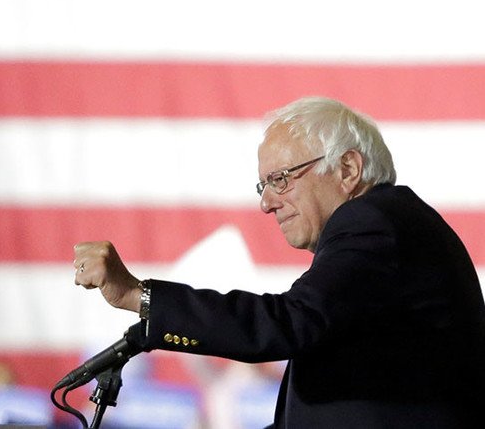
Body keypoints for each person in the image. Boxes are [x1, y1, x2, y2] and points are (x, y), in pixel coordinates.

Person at [72, 96, 485, 428]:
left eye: (281, 179)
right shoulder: (384, 231)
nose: (267, 203)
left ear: (347, 168)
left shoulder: (374, 222)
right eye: (264, 185)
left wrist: (137, 295)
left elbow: (285, 324)